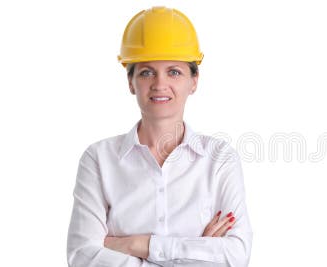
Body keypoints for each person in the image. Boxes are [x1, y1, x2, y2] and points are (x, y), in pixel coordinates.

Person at [66, 6, 252, 266]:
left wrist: (137, 245)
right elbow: (82, 256)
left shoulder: (220, 159)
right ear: (130, 82)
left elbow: (236, 255)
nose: (159, 84)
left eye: (174, 71)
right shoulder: (98, 159)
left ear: (194, 81)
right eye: (146, 72)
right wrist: (196, 252)